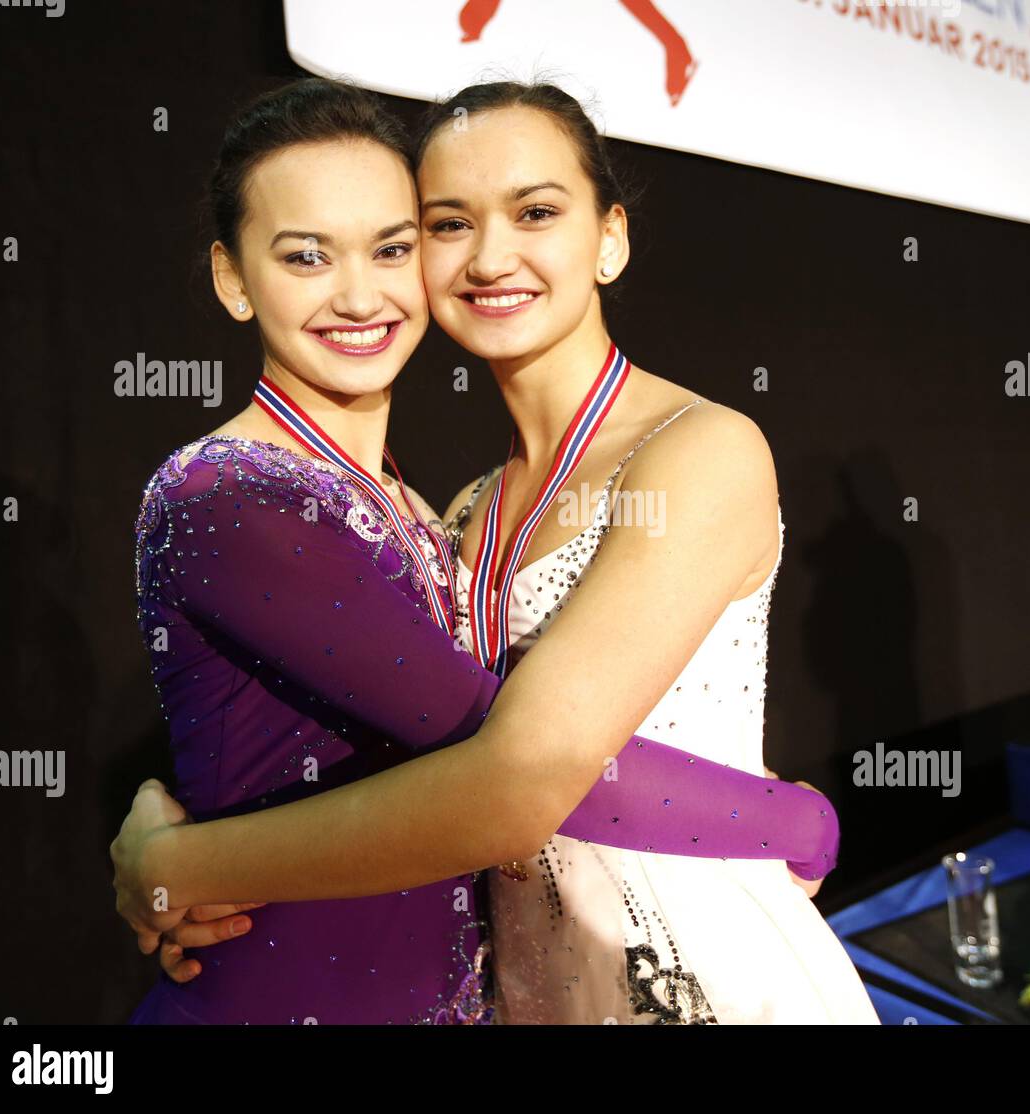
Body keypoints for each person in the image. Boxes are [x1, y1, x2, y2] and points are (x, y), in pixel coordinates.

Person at [115, 77, 840, 1025]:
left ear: (611, 237)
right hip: (514, 972)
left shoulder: (698, 450)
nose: (492, 256)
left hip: (693, 949)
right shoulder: (452, 510)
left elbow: (527, 764)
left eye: (536, 211)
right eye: (450, 224)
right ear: (233, 277)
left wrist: (177, 863)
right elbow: (491, 762)